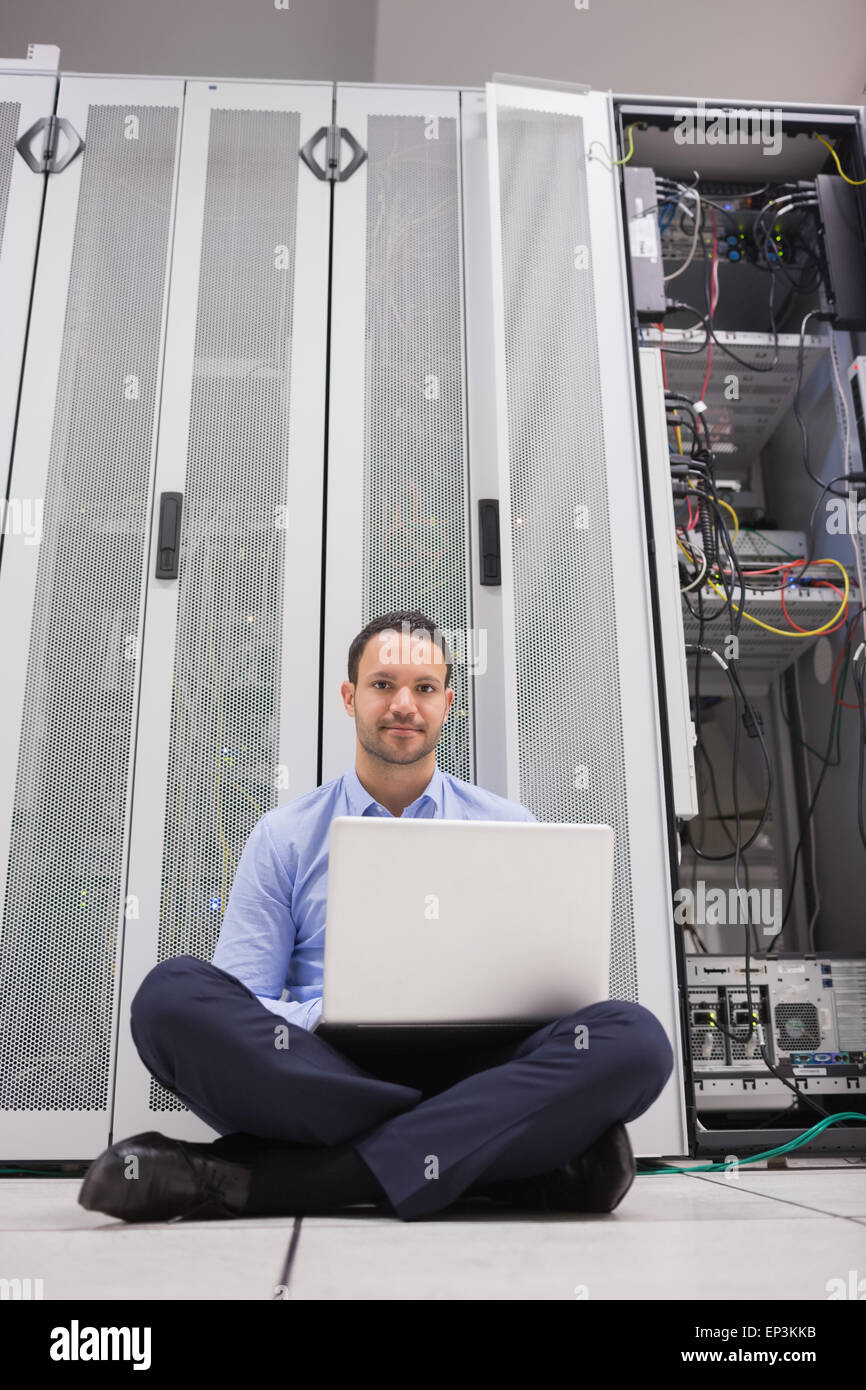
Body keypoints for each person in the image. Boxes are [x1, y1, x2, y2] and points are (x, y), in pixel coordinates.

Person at [79, 611, 673, 1223]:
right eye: (383, 684)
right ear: (350, 697)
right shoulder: (284, 836)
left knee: (634, 1039)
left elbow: (553, 1003)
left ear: (447, 703)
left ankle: (279, 1179)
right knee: (170, 997)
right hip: (324, 1069)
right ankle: (490, 1154)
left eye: (424, 687)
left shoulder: (509, 827)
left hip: (476, 1067)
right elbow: (243, 997)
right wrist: (329, 1014)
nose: (403, 705)